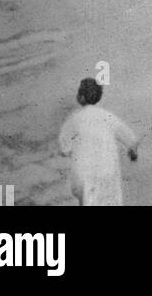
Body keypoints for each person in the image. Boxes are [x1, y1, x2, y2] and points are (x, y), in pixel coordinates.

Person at [58, 78, 139, 206]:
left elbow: (64, 147)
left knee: (86, 198)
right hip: (108, 172)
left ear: (81, 98)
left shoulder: (74, 119)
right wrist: (132, 152)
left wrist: (72, 150)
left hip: (84, 174)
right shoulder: (108, 116)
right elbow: (131, 139)